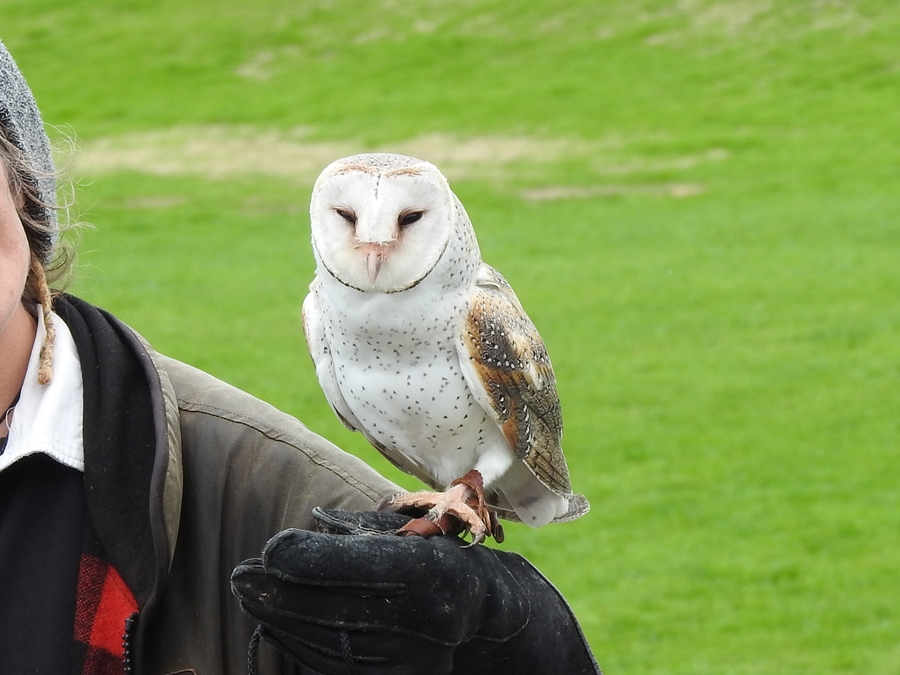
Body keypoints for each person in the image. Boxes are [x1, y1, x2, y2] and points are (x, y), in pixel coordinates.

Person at [0, 39, 601, 675]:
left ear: (25, 192)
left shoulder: (276, 502)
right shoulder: (326, 322)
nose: (374, 246)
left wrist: (509, 644)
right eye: (350, 219)